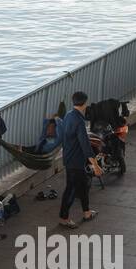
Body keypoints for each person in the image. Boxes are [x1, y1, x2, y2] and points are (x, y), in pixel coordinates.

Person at [56, 92, 98, 229]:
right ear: (85, 103)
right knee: (71, 189)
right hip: (75, 161)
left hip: (69, 157)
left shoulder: (68, 115)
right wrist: (95, 165)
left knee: (83, 185)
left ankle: (86, 212)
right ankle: (64, 218)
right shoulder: (79, 121)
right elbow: (85, 145)